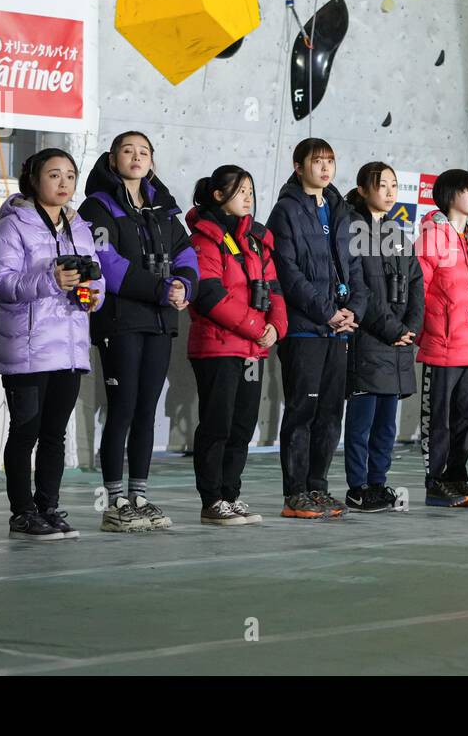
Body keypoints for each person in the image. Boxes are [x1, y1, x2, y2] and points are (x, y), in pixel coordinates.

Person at [79, 131, 199, 532]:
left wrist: (185, 284)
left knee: (147, 411)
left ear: (152, 161)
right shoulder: (97, 206)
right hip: (122, 320)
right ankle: (115, 501)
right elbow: (107, 264)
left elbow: (186, 252)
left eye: (143, 152)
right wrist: (162, 289)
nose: (136, 157)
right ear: (113, 160)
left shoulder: (163, 208)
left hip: (161, 322)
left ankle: (140, 496)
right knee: (123, 407)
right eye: (127, 151)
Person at [0, 149, 105, 540]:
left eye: (70, 175)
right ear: (34, 179)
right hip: (28, 347)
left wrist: (91, 293)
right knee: (25, 433)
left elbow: (97, 280)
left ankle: (48, 507)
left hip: (69, 347)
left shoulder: (79, 227)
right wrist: (52, 280)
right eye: (54, 175)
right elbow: (3, 284)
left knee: (56, 433)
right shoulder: (11, 227)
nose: (64, 183)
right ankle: (22, 512)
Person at [266, 138, 367, 519]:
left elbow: (354, 268)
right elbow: (287, 273)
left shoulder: (341, 210)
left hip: (339, 329)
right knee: (301, 412)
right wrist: (327, 312)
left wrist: (352, 309)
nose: (325, 168)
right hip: (306, 329)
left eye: (330, 161)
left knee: (330, 414)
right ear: (298, 166)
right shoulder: (285, 211)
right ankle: (296, 493)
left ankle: (319, 488)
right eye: (316, 161)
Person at [187, 165, 287, 525]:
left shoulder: (257, 240)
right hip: (218, 346)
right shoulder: (204, 239)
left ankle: (231, 494)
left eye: (250, 190)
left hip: (252, 347)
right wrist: (256, 326)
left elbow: (274, 289)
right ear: (218, 196)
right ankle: (211, 499)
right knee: (218, 424)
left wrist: (276, 326)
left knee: (243, 425)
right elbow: (210, 295)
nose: (248, 197)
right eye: (239, 190)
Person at [343, 161, 423, 512]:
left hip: (398, 343)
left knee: (386, 425)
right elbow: (359, 289)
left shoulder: (397, 232)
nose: (390, 192)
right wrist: (393, 329)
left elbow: (417, 281)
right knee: (362, 423)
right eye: (382, 185)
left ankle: (379, 482)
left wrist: (411, 327)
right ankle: (357, 486)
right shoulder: (350, 228)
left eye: (394, 185)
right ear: (362, 190)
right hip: (368, 340)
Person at [415, 168, 468, 507]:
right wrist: (424, 331)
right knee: (439, 420)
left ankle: (457, 479)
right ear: (449, 197)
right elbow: (418, 289)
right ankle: (435, 484)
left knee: (467, 419)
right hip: (442, 344)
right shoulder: (432, 235)